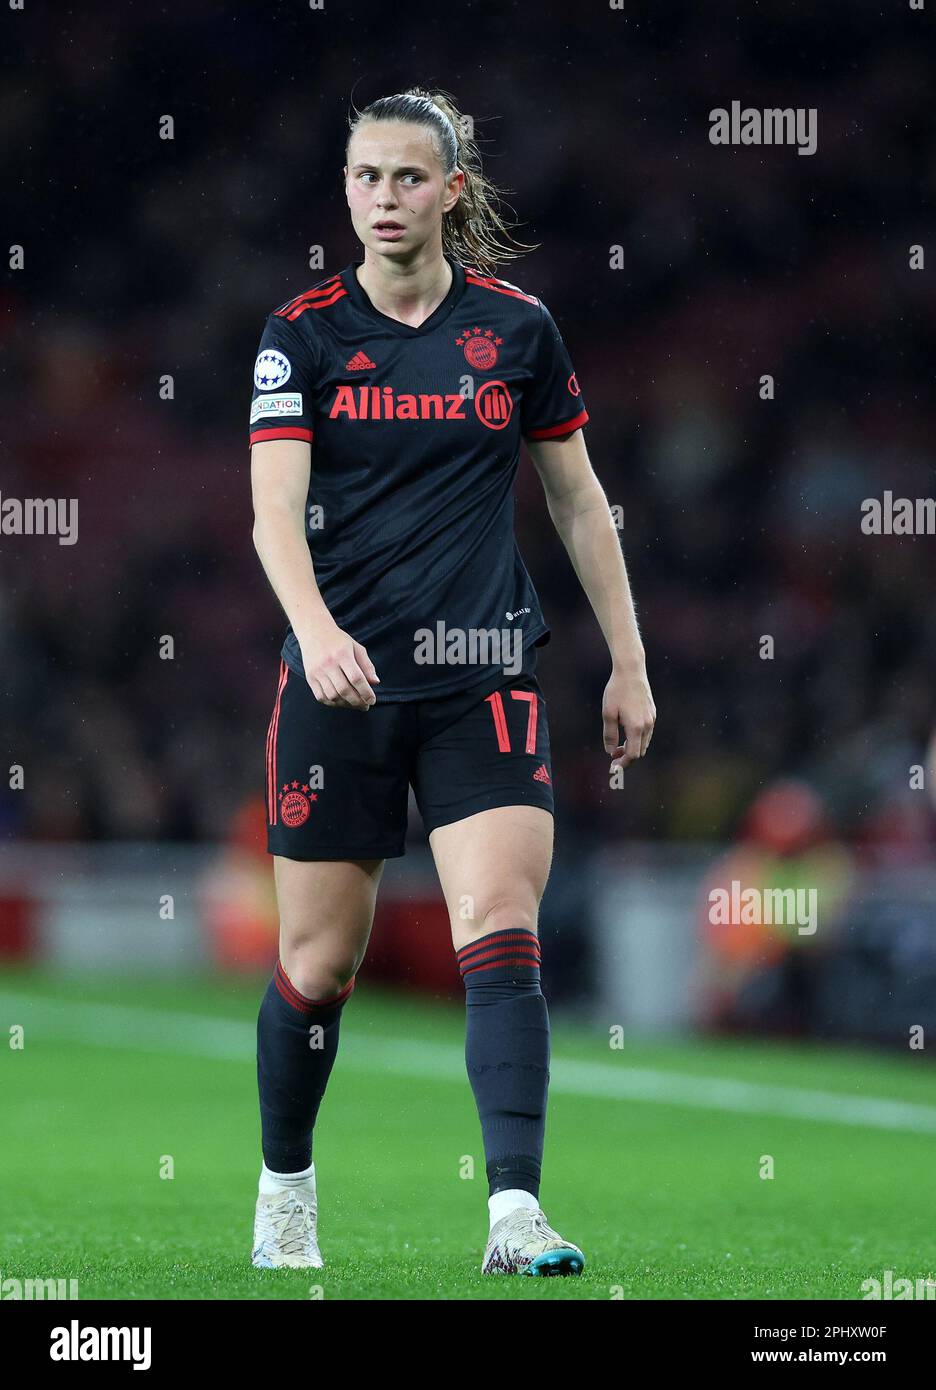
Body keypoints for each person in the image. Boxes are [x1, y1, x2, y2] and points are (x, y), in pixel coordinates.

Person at [248, 86, 656, 1276]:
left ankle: (514, 1209)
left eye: (409, 178)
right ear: (347, 191)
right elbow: (275, 514)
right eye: (367, 178)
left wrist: (628, 659)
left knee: (501, 928)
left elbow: (578, 499)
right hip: (342, 687)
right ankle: (285, 1186)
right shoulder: (303, 335)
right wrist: (318, 633)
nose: (386, 198)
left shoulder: (517, 330)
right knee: (320, 966)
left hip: (486, 672)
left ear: (451, 190)